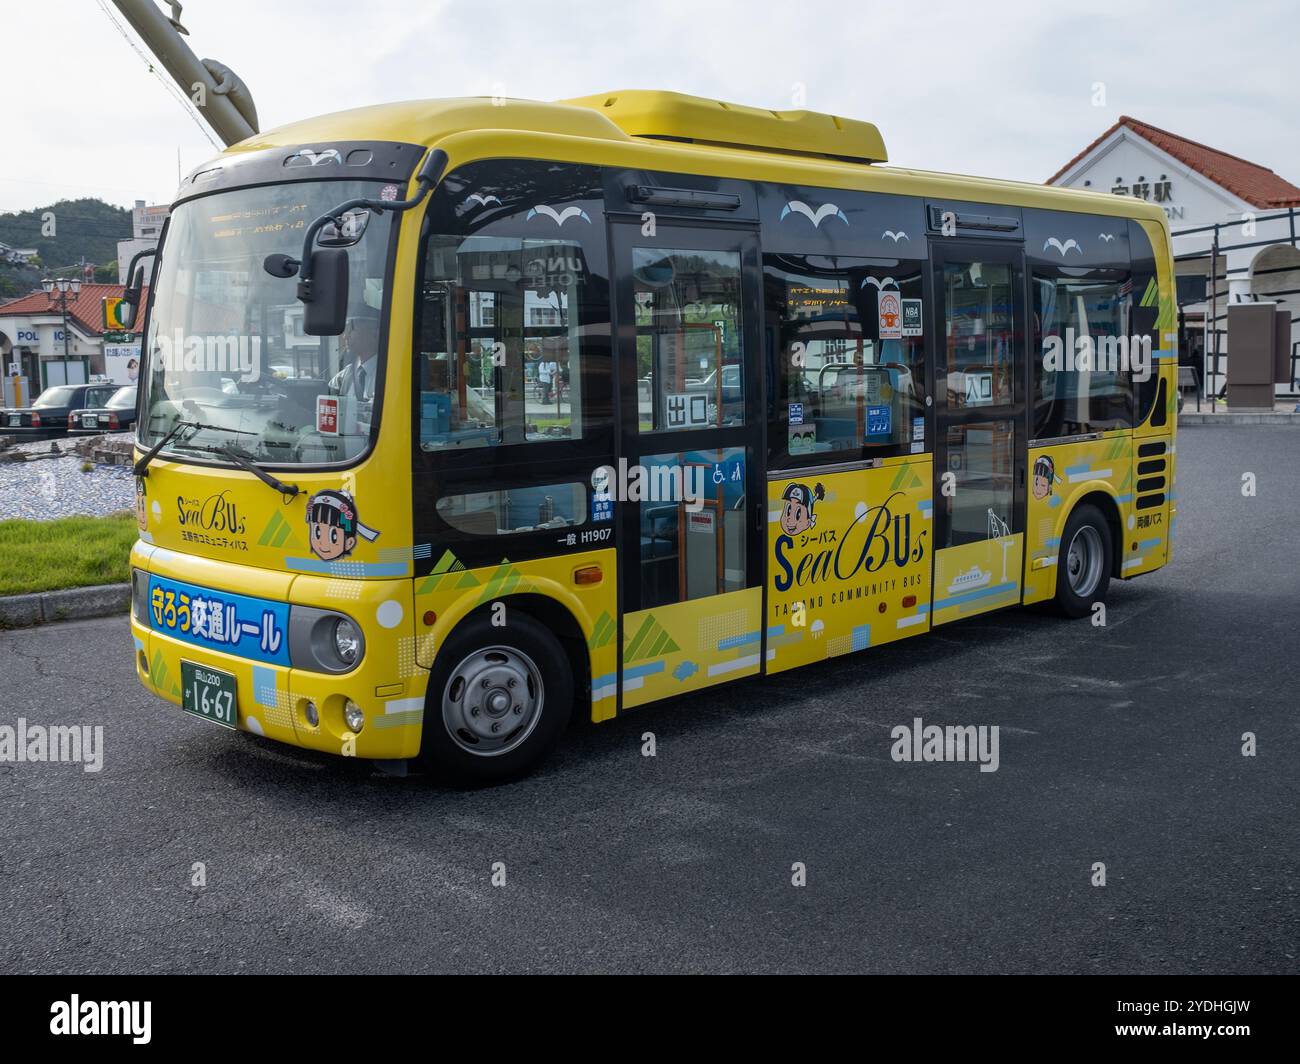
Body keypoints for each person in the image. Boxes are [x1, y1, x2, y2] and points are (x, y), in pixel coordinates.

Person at [328, 311, 380, 401]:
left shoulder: (389, 374)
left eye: (351, 329)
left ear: (375, 333)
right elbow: (326, 395)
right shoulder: (346, 375)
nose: (345, 336)